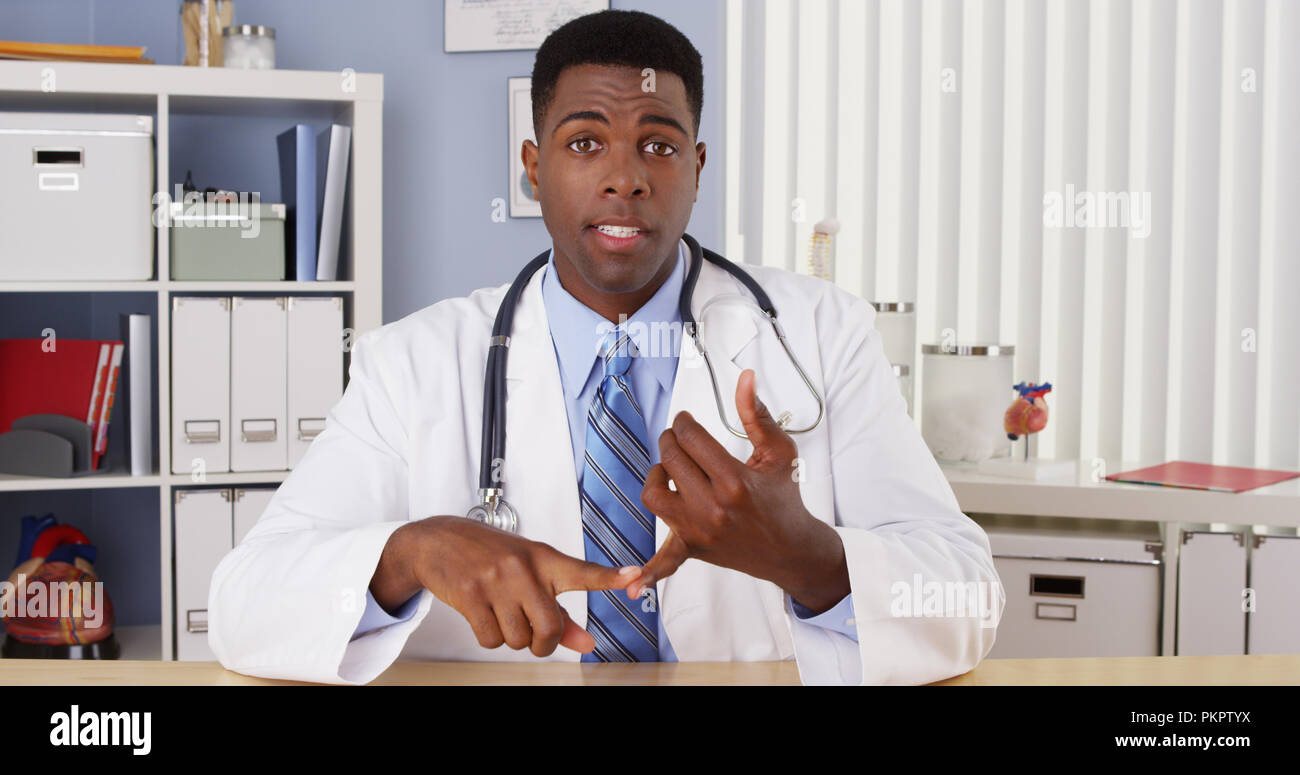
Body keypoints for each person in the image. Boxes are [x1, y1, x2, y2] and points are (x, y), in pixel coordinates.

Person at [209, 9, 1003, 685]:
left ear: (696, 168)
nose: (625, 178)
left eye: (658, 146)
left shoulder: (823, 333)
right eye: (586, 143)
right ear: (532, 168)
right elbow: (241, 606)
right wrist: (406, 553)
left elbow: (969, 598)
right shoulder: (411, 363)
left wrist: (810, 559)